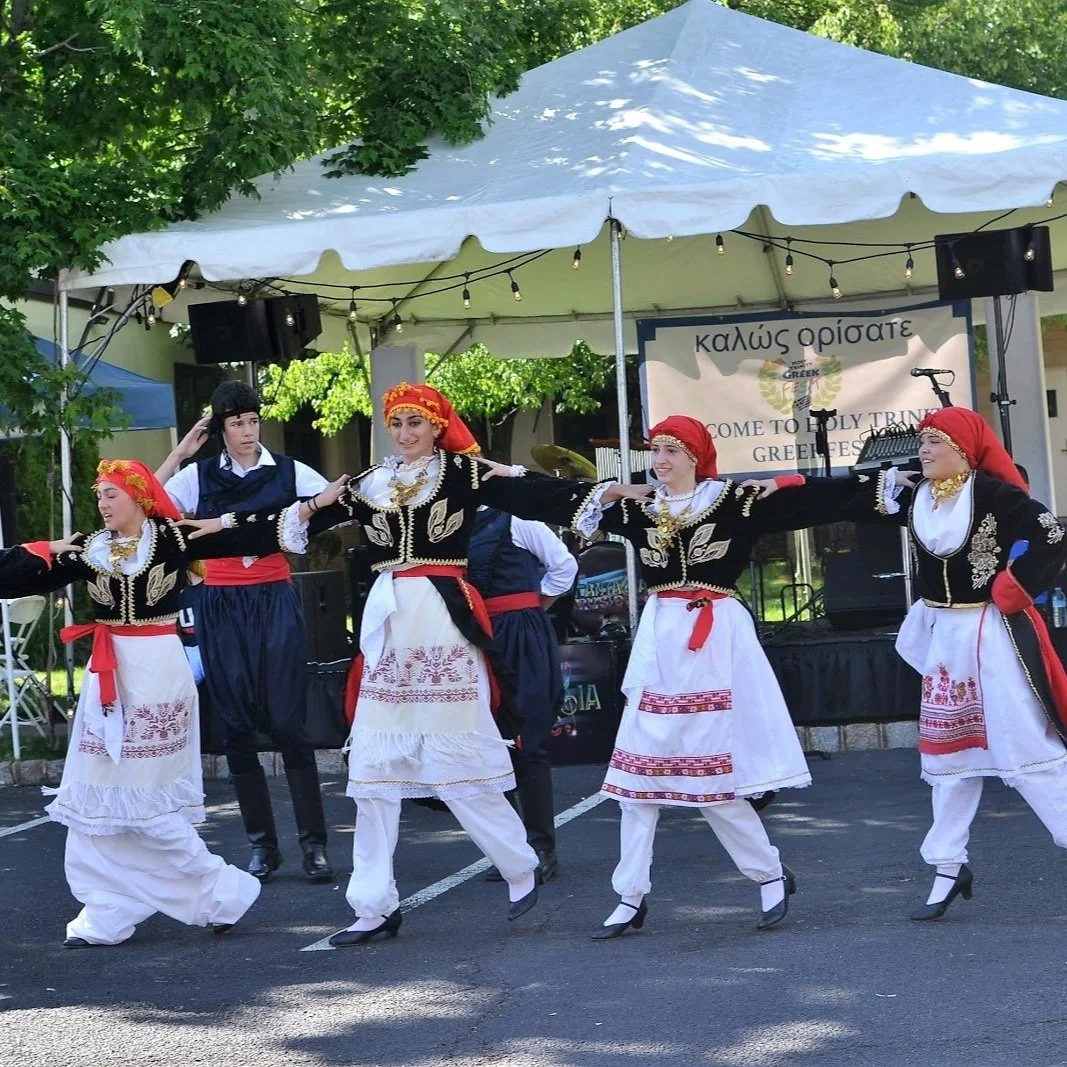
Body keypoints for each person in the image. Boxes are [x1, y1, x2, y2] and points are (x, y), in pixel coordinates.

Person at [197, 383, 597, 945]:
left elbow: (535, 494)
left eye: (416, 423)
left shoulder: (462, 473)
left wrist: (609, 497)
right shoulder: (368, 485)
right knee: (374, 774)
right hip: (390, 631)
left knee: (460, 755)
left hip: (441, 623)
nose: (406, 434)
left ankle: (518, 863)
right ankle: (372, 903)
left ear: (436, 425)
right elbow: (286, 522)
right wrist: (246, 522)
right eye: (398, 424)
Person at [542, 416, 868, 939]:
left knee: (711, 778)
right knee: (637, 781)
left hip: (713, 640)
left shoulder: (733, 502)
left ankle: (768, 875)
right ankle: (629, 896)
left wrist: (786, 481)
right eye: (656, 450)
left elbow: (825, 500)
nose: (661, 460)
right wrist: (603, 488)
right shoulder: (641, 509)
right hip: (661, 643)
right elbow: (560, 502)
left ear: (696, 456)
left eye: (673, 450)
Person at [0, 460, 295, 947]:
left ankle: (220, 893)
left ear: (137, 495)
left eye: (111, 495)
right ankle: (106, 908)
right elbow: (17, 575)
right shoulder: (90, 549)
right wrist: (46, 549)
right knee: (94, 792)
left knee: (148, 801)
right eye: (99, 496)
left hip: (157, 670)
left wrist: (305, 509)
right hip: (108, 671)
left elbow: (257, 536)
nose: (102, 504)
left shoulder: (174, 539)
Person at [860, 407, 1067, 920]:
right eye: (922, 441)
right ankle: (948, 865)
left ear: (963, 448)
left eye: (934, 441)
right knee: (949, 760)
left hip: (991, 633)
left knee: (1024, 749)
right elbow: (840, 496)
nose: (924, 449)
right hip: (945, 639)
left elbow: (1053, 536)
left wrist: (1014, 585)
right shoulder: (915, 494)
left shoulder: (995, 494)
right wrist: (785, 481)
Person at [157, 382, 334, 884]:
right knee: (236, 726)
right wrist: (178, 453)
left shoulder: (291, 470)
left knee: (288, 722)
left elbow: (330, 505)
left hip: (274, 598)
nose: (247, 432)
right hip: (221, 603)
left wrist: (304, 525)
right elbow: (143, 501)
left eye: (253, 421)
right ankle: (262, 845)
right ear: (220, 428)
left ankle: (314, 844)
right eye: (237, 423)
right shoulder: (198, 476)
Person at [467, 506, 578, 883]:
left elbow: (564, 566)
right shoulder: (443, 518)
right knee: (488, 745)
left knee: (527, 741)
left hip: (519, 633)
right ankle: (512, 846)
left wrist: (532, 604)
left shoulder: (516, 517)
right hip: (471, 638)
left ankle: (541, 847)